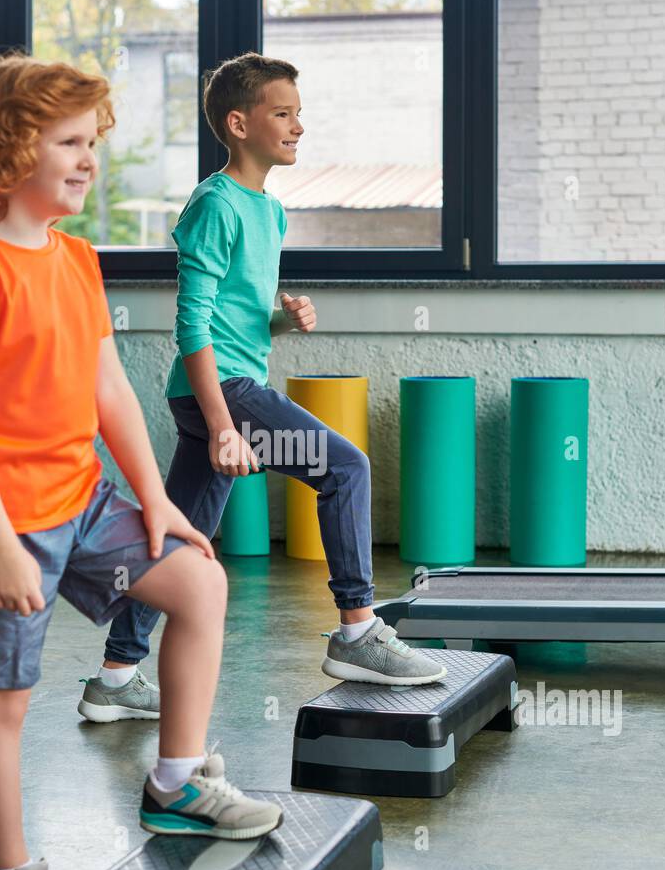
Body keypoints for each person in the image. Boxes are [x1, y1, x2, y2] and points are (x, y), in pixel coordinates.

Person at [0, 54, 282, 870]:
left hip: (83, 503)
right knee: (0, 704)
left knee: (197, 583)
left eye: (94, 145)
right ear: (7, 153)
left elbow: (110, 391)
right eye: (70, 144)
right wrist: (1, 544)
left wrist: (156, 499)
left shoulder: (75, 260)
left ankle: (177, 785)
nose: (89, 161)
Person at [78, 51, 446, 727]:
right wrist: (222, 424)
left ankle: (115, 675)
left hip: (218, 391)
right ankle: (357, 630)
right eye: (283, 113)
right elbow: (189, 322)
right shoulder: (215, 203)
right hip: (221, 392)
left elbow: (228, 314)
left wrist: (282, 316)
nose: (298, 127)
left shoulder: (268, 212)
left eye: (299, 115)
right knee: (345, 467)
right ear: (239, 123)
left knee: (181, 539)